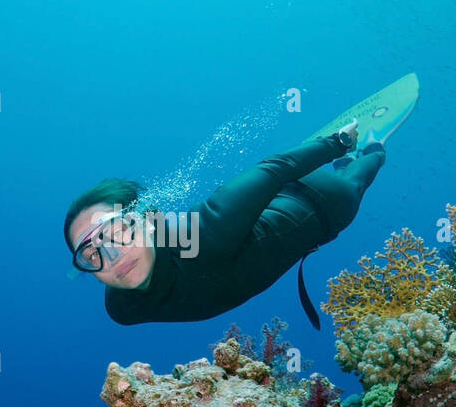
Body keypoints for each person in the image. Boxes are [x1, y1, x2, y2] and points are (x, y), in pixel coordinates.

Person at [63, 120, 385, 327]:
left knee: (354, 186)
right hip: (267, 208)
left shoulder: (202, 233)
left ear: (145, 219)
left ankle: (370, 150)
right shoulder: (122, 308)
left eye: (115, 232)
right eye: (90, 254)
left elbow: (274, 169)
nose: (111, 257)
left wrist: (337, 142)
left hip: (319, 202)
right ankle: (346, 162)